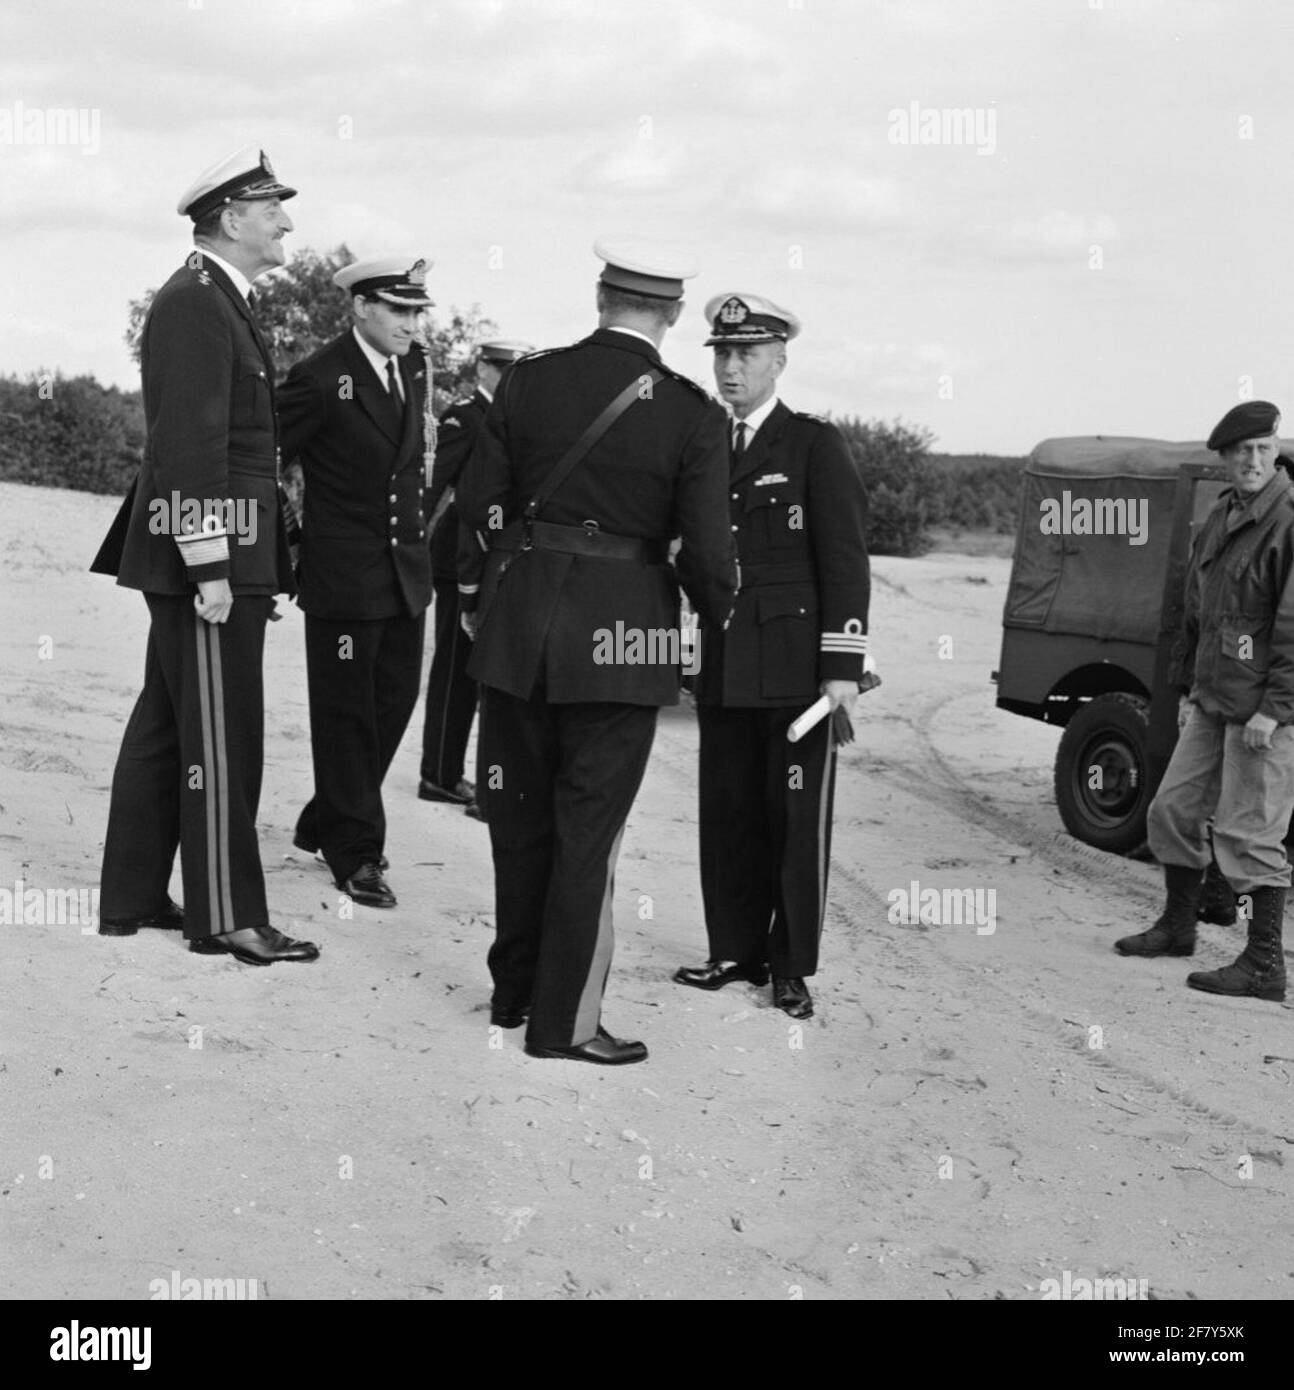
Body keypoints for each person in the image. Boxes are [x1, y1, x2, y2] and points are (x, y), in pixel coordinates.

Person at [457, 238, 738, 1064]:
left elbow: (479, 502)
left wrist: (478, 601)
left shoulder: (529, 379)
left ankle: (512, 997)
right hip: (625, 637)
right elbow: (708, 556)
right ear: (675, 314)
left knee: (519, 820)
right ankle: (564, 1024)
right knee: (590, 832)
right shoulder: (692, 414)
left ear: (599, 296)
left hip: (519, 627)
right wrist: (718, 634)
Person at [91, 146, 319, 967]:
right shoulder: (196, 302)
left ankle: (129, 896)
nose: (287, 222)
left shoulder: (220, 297)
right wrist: (211, 565)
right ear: (230, 218)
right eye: (272, 209)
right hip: (210, 554)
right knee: (222, 733)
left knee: (166, 724)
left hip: (220, 546)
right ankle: (226, 916)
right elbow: (188, 445)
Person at [673, 294, 872, 1019]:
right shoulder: (701, 440)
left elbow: (845, 560)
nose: (730, 368)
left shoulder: (814, 444)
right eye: (722, 354)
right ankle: (733, 949)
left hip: (796, 671)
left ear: (779, 361)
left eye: (745, 355)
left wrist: (842, 667)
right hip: (725, 661)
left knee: (792, 820)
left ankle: (789, 966)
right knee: (727, 814)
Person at [1116, 400, 1293, 1003]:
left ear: (1275, 451)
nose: (1252, 460)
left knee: (1251, 835)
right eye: (1241, 451)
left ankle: (1265, 964)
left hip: (1266, 712)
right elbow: (1199, 611)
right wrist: (1190, 687)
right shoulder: (1222, 515)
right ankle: (1177, 927)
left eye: (1263, 449)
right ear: (1222, 458)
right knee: (1172, 811)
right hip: (1215, 698)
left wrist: (1276, 707)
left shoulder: (1288, 520)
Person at [280, 256, 435, 909]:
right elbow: (263, 457)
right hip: (343, 575)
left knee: (393, 704)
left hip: (405, 571)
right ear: (360, 307)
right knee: (347, 717)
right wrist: (288, 548)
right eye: (398, 310)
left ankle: (327, 818)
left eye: (416, 310)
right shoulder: (320, 378)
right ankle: (357, 851)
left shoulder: (415, 366)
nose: (410, 322)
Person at [419, 339, 533, 819]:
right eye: (500, 368)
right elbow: (436, 483)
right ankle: (438, 774)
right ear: (482, 368)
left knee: (475, 669)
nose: (507, 377)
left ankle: (450, 769)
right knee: (453, 668)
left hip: (490, 558)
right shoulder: (467, 416)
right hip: (457, 555)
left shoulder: (510, 416)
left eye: (514, 370)